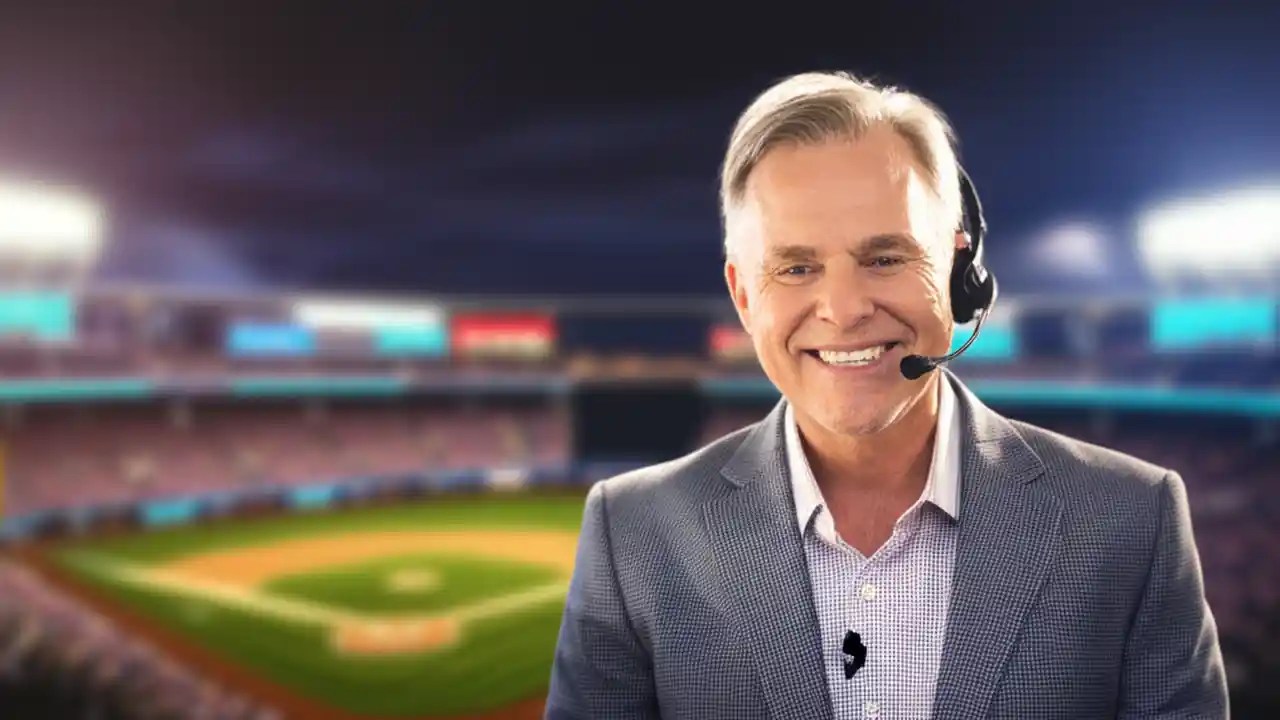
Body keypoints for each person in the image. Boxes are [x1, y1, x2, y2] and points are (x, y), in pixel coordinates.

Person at [544, 71, 1227, 719]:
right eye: (797, 266)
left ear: (961, 270)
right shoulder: (630, 534)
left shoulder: (1132, 523)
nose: (842, 310)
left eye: (885, 258)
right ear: (744, 295)